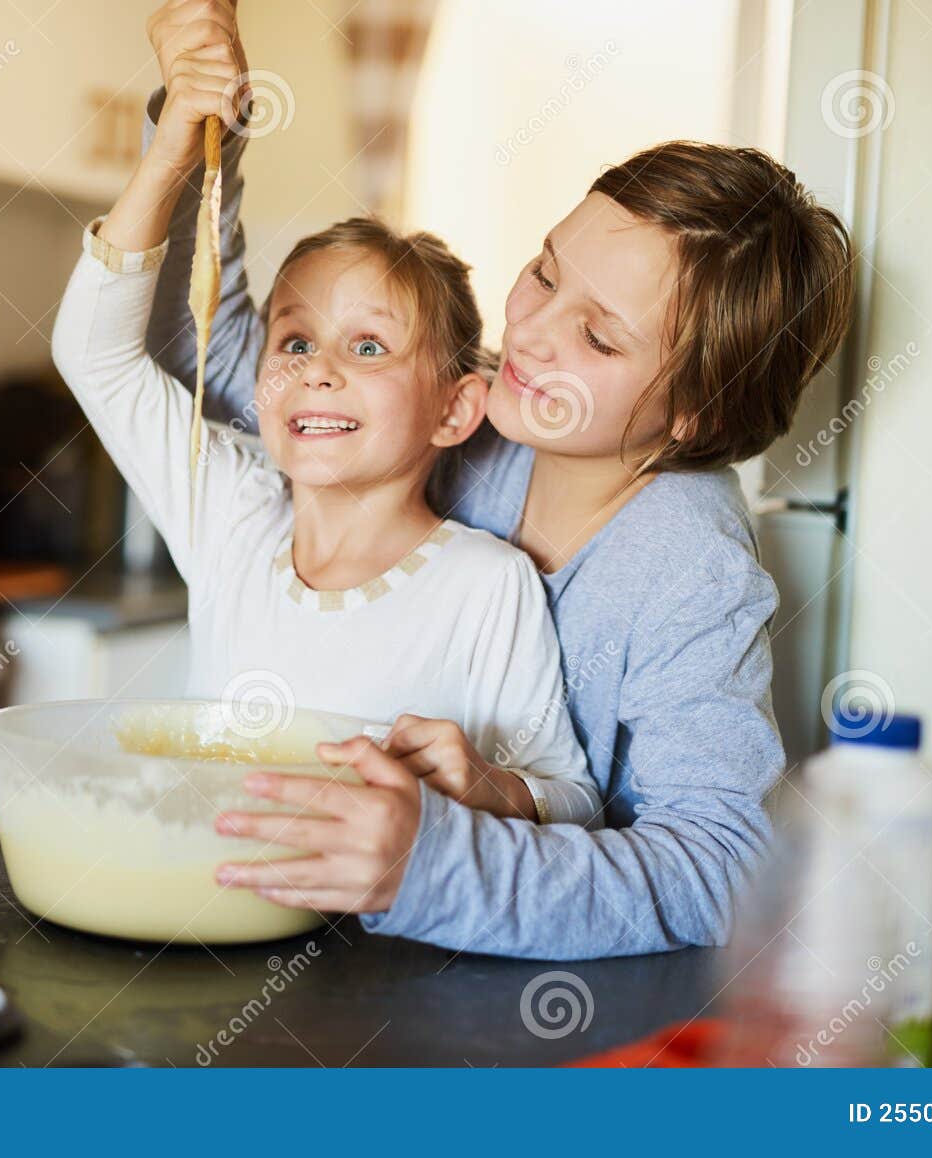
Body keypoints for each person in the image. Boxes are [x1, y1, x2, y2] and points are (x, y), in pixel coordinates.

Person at [144, 1, 856, 959]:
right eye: (544, 272)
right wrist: (200, 127)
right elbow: (213, 358)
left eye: (598, 336)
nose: (529, 332)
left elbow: (720, 870)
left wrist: (438, 861)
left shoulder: (689, 569)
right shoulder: (476, 410)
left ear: (697, 416)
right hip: (316, 938)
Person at [50, 52, 603, 839]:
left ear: (455, 409)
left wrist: (491, 787)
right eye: (296, 341)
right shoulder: (231, 517)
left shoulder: (486, 587)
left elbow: (575, 796)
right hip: (218, 906)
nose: (319, 372)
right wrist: (173, 144)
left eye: (369, 347)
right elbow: (93, 354)